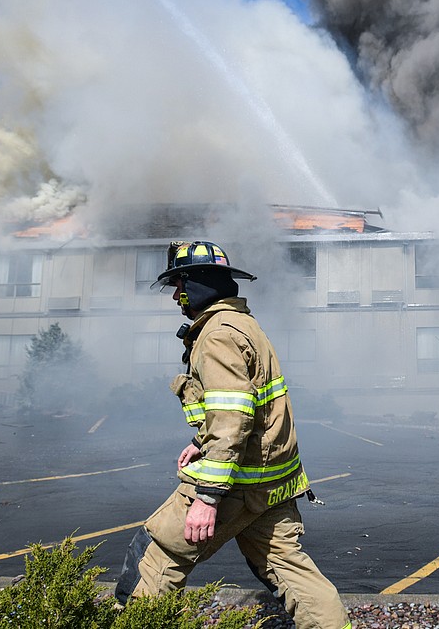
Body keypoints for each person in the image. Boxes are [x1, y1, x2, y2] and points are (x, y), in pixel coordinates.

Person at [115, 240, 351, 629]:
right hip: (272, 481)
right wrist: (200, 441)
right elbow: (244, 406)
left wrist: (207, 498)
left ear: (197, 285)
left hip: (236, 481)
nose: (175, 295)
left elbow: (232, 415)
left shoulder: (217, 335)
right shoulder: (243, 324)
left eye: (179, 285)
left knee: (157, 555)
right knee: (289, 568)